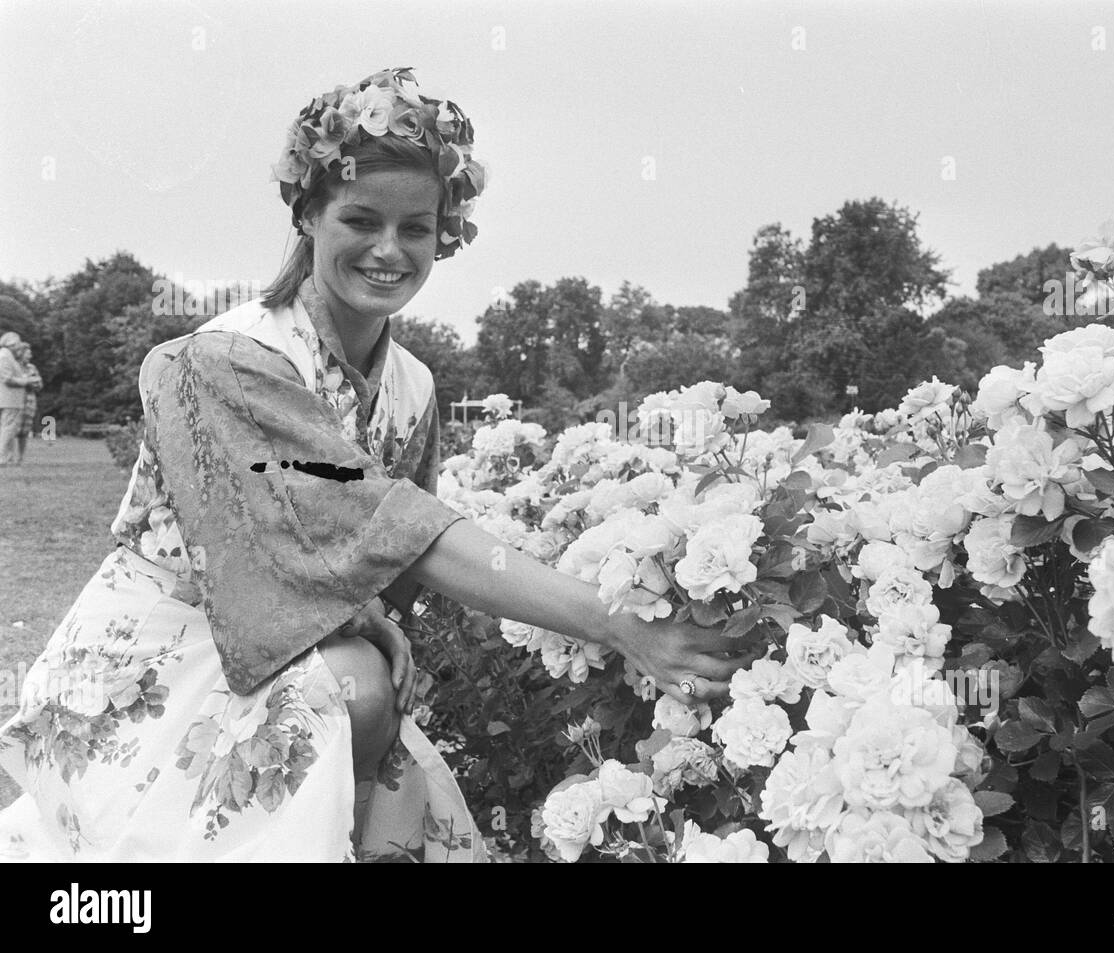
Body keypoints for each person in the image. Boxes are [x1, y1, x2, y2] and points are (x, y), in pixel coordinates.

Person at [0, 68, 750, 862]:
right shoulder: (220, 360)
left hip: (307, 649)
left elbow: (376, 563)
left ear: (443, 234)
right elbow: (383, 521)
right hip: (172, 647)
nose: (389, 251)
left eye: (416, 228)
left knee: (367, 705)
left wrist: (374, 618)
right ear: (307, 213)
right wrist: (610, 621)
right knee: (350, 697)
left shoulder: (413, 385)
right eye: (360, 218)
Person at [0, 332, 40, 466]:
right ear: (11, 343)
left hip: (13, 399)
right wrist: (27, 381)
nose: (18, 347)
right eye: (17, 343)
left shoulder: (8, 356)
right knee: (7, 429)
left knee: (9, 429)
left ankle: (8, 458)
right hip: (9, 399)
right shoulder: (4, 356)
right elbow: (7, 379)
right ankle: (2, 458)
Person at [14, 341, 41, 463]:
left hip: (29, 403)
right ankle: (7, 456)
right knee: (11, 430)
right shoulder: (13, 367)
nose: (30, 355)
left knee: (24, 432)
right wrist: (27, 381)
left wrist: (29, 382)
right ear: (20, 353)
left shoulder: (32, 368)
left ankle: (20, 457)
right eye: (28, 353)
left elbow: (39, 384)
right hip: (14, 402)